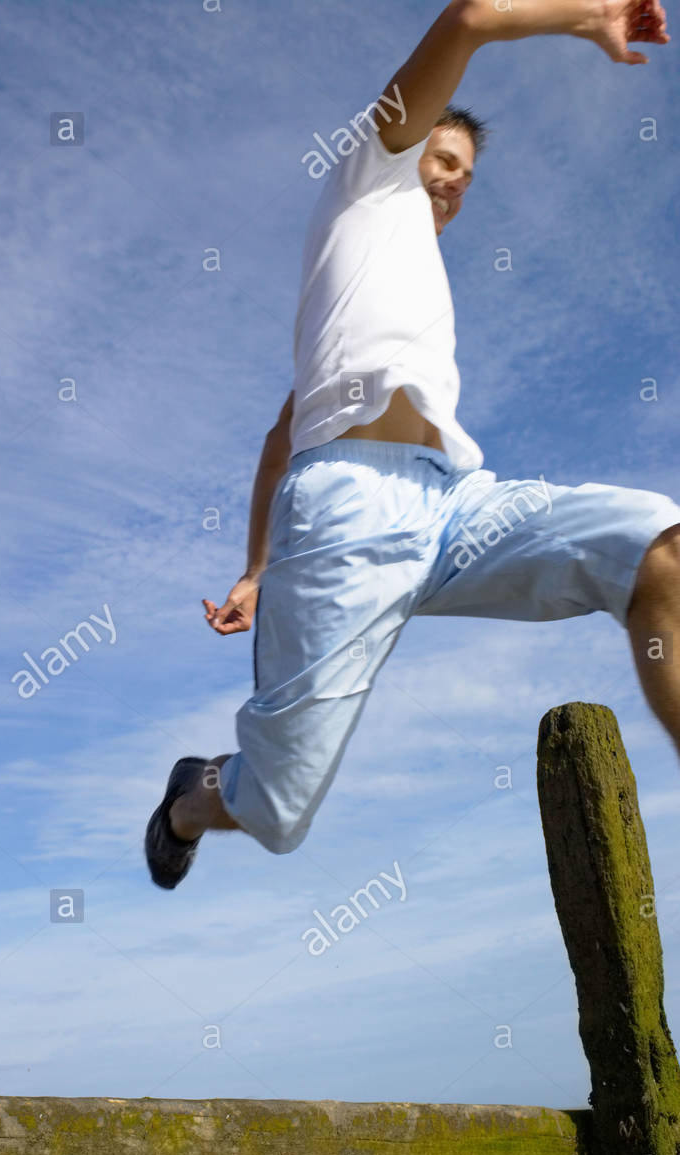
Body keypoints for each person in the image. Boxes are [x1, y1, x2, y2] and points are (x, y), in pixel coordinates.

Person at [146, 0, 678, 890]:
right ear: (401, 144)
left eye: (465, 176)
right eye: (441, 158)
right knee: (275, 813)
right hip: (343, 511)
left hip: (452, 500)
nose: (452, 183)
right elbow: (468, 18)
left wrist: (251, 566)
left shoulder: (403, 275)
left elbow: (282, 427)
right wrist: (588, 16)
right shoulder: (365, 178)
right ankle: (190, 800)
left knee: (659, 551)